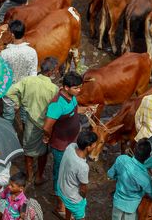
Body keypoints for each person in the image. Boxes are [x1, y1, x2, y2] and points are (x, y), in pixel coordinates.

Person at [7, 56, 59, 185]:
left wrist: (19, 103)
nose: (57, 72)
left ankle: (30, 176)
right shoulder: (54, 89)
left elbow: (9, 92)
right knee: (44, 152)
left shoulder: (28, 81)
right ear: (51, 72)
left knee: (28, 150)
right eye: (56, 70)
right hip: (46, 124)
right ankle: (39, 177)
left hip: (30, 121)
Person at [44, 71, 83, 214]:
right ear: (66, 87)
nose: (79, 90)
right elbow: (47, 126)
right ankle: (59, 204)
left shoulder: (71, 97)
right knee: (60, 173)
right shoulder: (57, 104)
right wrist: (47, 137)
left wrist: (85, 110)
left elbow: (72, 111)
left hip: (71, 141)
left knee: (68, 171)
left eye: (80, 87)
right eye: (76, 88)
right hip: (60, 145)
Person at [107, 138, 152, 220]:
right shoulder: (146, 177)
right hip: (132, 207)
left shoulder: (121, 159)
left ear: (135, 149)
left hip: (117, 202)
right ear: (148, 156)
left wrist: (118, 177)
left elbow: (110, 174)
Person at [0, 20, 38, 120]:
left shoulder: (4, 54)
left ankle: (8, 134)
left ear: (12, 35)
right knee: (25, 115)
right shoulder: (32, 52)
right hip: (25, 90)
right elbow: (33, 73)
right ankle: (25, 133)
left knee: (8, 116)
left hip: (9, 90)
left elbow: (3, 74)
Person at [56, 130, 96, 220]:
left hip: (61, 188)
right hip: (73, 198)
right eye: (94, 144)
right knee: (81, 217)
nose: (95, 146)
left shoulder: (71, 147)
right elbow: (83, 188)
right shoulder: (83, 167)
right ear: (88, 147)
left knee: (68, 207)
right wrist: (83, 198)